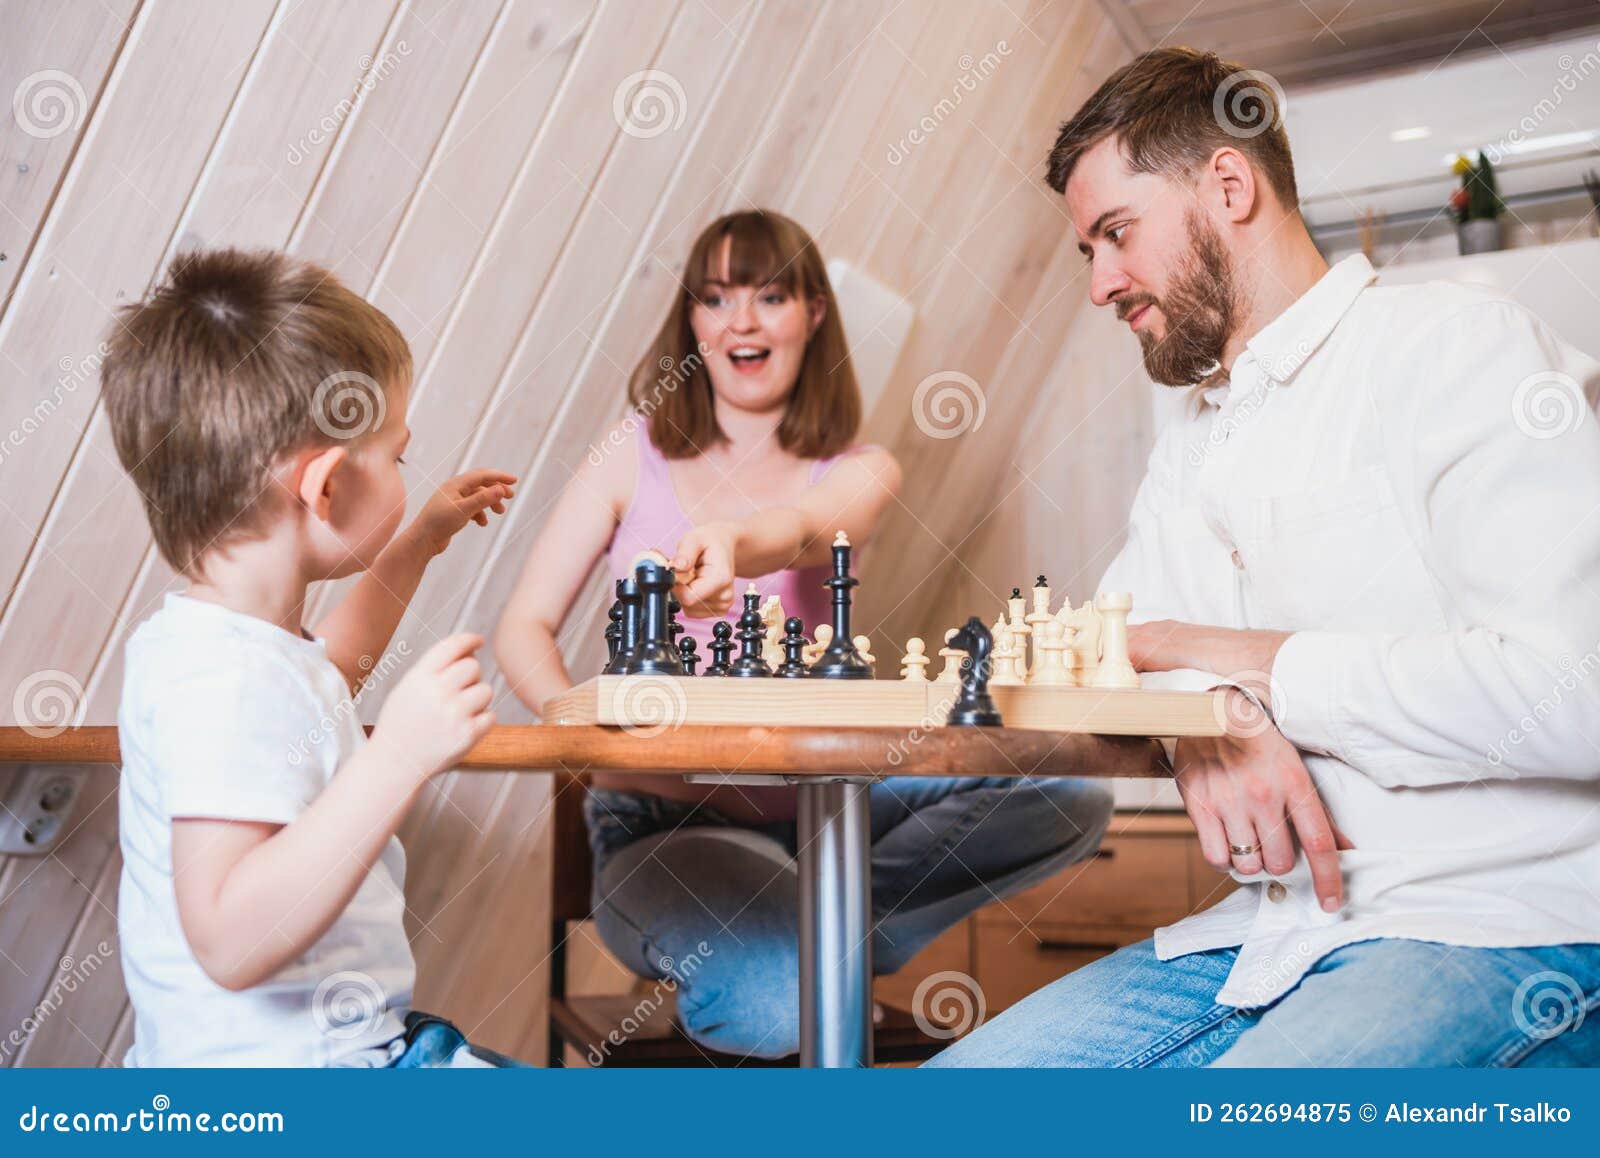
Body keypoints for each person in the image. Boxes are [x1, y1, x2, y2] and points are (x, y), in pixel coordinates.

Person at [928, 47, 1600, 1068]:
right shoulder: (1192, 433)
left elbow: (1574, 693)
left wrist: (1233, 657)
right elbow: (1112, 651)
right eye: (1089, 251)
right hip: (1269, 934)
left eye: (1117, 234)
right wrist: (1213, 709)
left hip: (1505, 925)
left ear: (1229, 186)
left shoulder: (1462, 348)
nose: (1101, 284)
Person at [496, 209, 1114, 1059]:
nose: (741, 322)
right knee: (781, 1010)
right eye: (716, 298)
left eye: (770, 295)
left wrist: (733, 543)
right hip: (664, 825)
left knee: (1067, 789)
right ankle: (816, 949)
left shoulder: (860, 469)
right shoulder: (628, 453)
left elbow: (805, 530)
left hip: (832, 813)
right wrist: (587, 735)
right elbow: (523, 627)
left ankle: (824, 933)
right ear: (691, 321)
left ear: (814, 312)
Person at [104, 248, 524, 1067]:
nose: (404, 472)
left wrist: (419, 542)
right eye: (397, 456)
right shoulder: (221, 681)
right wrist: (398, 756)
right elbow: (228, 938)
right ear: (325, 486)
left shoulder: (233, 648)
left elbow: (328, 674)